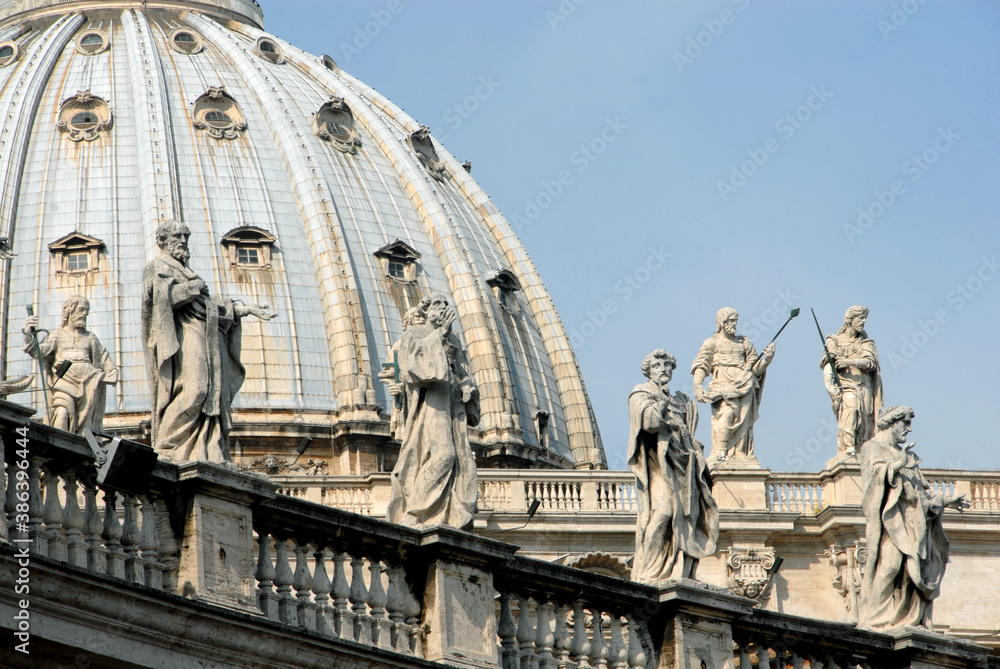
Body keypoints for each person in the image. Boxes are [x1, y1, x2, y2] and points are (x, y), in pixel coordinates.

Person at [142, 221, 274, 463]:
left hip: (205, 336)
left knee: (207, 390)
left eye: (185, 236)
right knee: (195, 389)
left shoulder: (188, 272)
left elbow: (210, 308)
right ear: (162, 241)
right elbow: (162, 302)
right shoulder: (159, 267)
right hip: (184, 337)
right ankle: (168, 445)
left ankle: (208, 447)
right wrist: (191, 288)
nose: (182, 241)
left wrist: (243, 309)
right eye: (177, 236)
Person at [858, 406, 969, 630]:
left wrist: (947, 501)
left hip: (912, 525)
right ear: (892, 423)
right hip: (890, 523)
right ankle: (874, 621)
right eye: (905, 423)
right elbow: (874, 479)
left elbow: (922, 493)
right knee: (889, 566)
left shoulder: (909, 456)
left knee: (911, 572)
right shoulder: (872, 448)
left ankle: (905, 619)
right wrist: (898, 463)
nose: (908, 429)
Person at [387, 294, 479, 530]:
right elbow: (414, 370)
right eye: (438, 305)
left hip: (452, 405)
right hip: (430, 403)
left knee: (458, 457)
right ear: (426, 311)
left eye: (445, 304)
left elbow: (462, 372)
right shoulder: (415, 335)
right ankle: (416, 511)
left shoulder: (455, 341)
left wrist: (468, 386)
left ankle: (445, 511)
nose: (443, 308)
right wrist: (441, 335)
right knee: (443, 454)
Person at [629, 349, 718, 583]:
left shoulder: (681, 401)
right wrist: (661, 405)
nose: (664, 369)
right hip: (659, 468)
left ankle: (681, 569)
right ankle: (649, 571)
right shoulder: (641, 394)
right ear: (649, 370)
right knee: (664, 512)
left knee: (688, 513)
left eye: (667, 365)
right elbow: (649, 423)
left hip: (683, 468)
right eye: (658, 366)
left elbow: (686, 432)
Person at [23, 296, 119, 433]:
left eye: (87, 310)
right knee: (61, 413)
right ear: (69, 312)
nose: (85, 314)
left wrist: (112, 371)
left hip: (88, 385)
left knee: (85, 429)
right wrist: (28, 335)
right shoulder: (57, 335)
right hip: (64, 383)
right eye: (81, 310)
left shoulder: (90, 337)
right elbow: (38, 351)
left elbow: (103, 356)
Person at [691, 307, 773, 460]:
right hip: (722, 385)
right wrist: (697, 385)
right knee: (726, 414)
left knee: (744, 420)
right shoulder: (711, 342)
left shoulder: (744, 343)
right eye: (732, 320)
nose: (735, 324)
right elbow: (702, 365)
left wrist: (767, 360)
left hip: (745, 385)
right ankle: (719, 451)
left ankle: (739, 453)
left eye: (736, 321)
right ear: (722, 321)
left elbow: (755, 369)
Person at [821, 305, 883, 456]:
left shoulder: (866, 343)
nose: (863, 322)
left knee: (866, 420)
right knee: (851, 410)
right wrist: (829, 385)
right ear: (850, 319)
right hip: (847, 385)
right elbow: (828, 364)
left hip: (865, 386)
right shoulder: (834, 341)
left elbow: (870, 363)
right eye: (860, 318)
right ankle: (848, 449)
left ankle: (862, 451)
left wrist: (849, 362)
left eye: (864, 319)